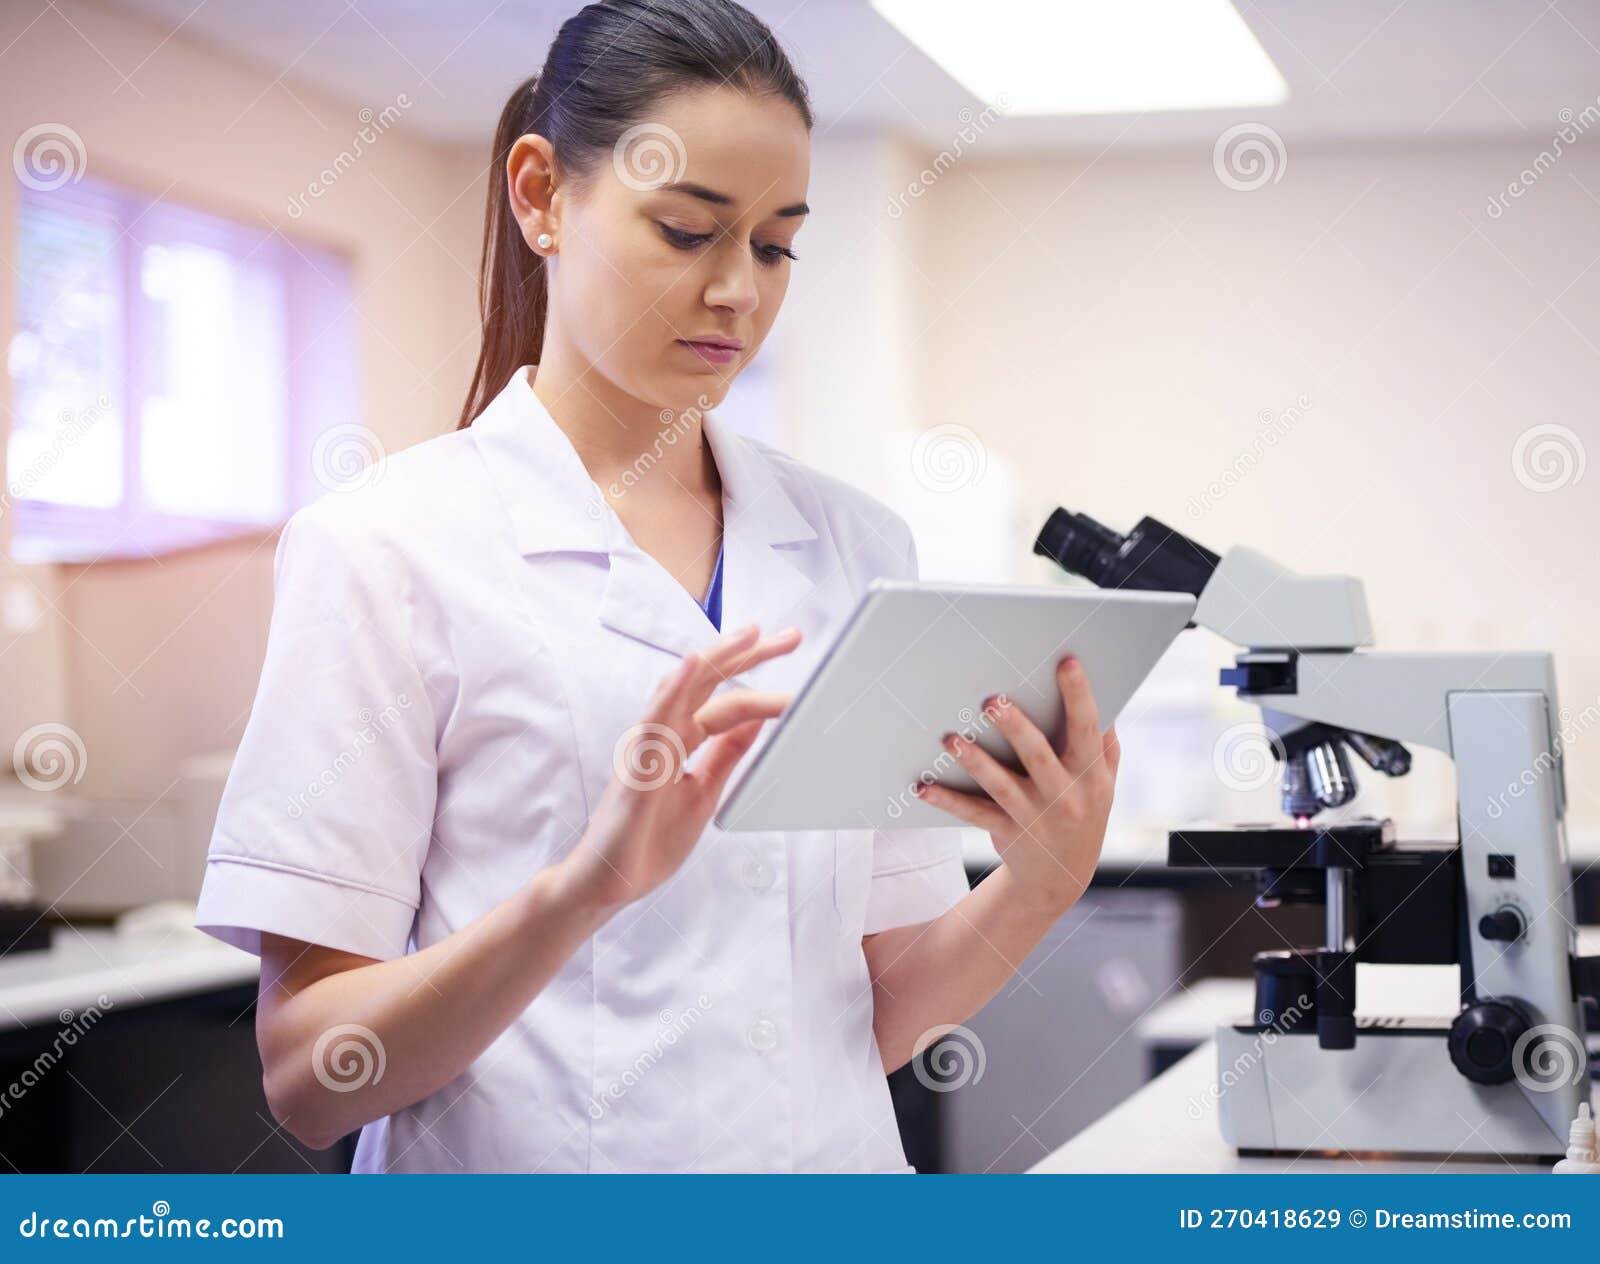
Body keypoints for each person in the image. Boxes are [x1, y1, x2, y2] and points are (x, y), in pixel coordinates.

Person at [194, 0, 1121, 1173]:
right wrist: (583, 891)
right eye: (688, 231)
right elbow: (310, 1081)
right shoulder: (385, 546)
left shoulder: (856, 547)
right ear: (541, 196)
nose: (740, 290)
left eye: (776, 245)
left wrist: (1040, 883)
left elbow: (875, 1015)